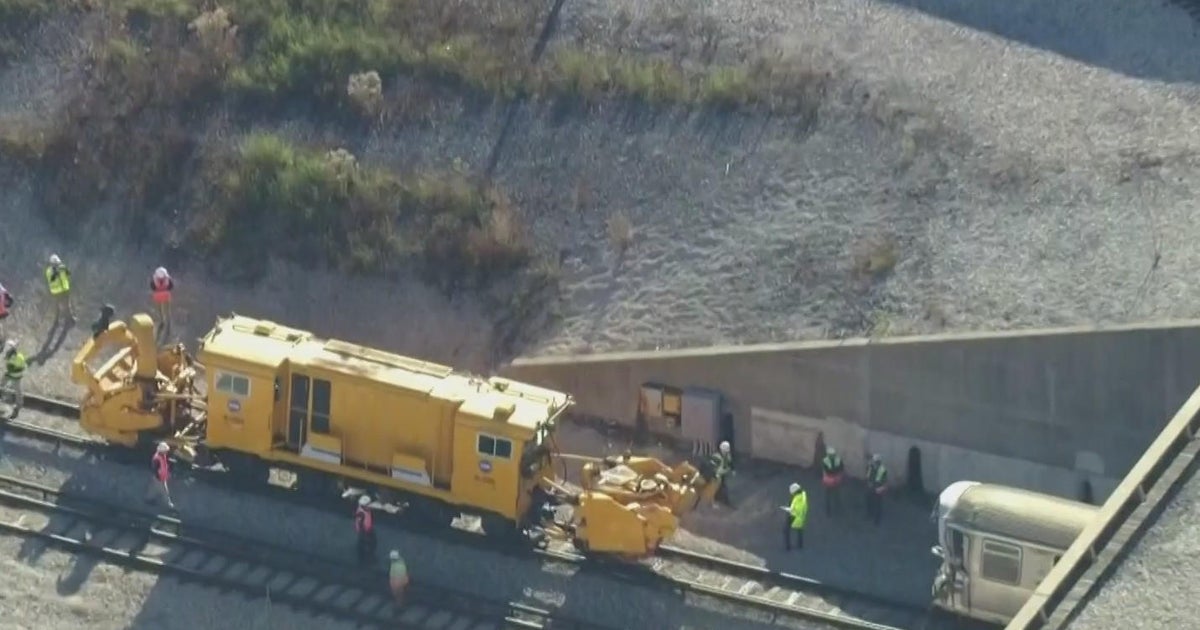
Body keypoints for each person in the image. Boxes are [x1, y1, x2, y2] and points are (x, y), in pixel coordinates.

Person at [145, 442, 175, 509]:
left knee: (153, 489)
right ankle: (169, 504)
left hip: (160, 477)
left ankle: (148, 499)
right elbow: (155, 469)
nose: (167, 452)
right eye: (166, 451)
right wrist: (158, 477)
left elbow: (165, 464)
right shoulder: (156, 459)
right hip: (159, 478)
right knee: (164, 491)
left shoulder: (162, 456)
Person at [44, 254, 74, 322]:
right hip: (56, 291)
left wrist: (66, 270)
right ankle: (59, 319)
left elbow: (69, 274)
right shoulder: (49, 270)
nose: (56, 265)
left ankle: (69, 318)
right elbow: (51, 279)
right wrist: (56, 273)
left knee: (67, 305)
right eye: (55, 263)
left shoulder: (62, 267)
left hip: (65, 289)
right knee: (58, 307)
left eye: (57, 263)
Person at [2, 340, 26, 420]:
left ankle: (18, 406)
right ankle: (3, 398)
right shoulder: (10, 355)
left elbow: (19, 368)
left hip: (16, 376)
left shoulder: (18, 358)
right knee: (2, 386)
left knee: (18, 391)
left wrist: (10, 372)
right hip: (10, 374)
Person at [782, 482, 808, 551]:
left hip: (793, 515)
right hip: (801, 515)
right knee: (799, 529)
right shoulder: (803, 495)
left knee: (786, 530)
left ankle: (788, 547)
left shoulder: (795, 498)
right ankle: (800, 544)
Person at [821, 446, 845, 516]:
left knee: (831, 494)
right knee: (833, 493)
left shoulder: (825, 460)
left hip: (831, 478)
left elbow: (825, 470)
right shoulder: (836, 459)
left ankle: (830, 509)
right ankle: (833, 508)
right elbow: (841, 468)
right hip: (833, 478)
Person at [710, 440, 735, 507]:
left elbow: (730, 463)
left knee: (723, 487)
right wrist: (714, 474)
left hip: (723, 474)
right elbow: (711, 466)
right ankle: (714, 502)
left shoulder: (728, 455)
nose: (726, 451)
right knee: (715, 488)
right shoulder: (716, 456)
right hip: (717, 475)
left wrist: (732, 470)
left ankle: (725, 500)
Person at [866, 453, 888, 526]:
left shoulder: (882, 469)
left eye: (875, 462)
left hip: (879, 489)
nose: (874, 463)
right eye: (874, 461)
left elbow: (884, 482)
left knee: (878, 504)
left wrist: (880, 489)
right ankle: (870, 514)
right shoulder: (871, 467)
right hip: (872, 487)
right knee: (869, 501)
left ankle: (877, 520)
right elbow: (868, 476)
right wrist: (869, 483)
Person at [355, 494, 377, 564]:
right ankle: (365, 560)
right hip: (365, 532)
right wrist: (365, 536)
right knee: (366, 547)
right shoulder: (361, 513)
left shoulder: (367, 510)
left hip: (368, 530)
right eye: (368, 504)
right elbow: (360, 524)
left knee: (371, 544)